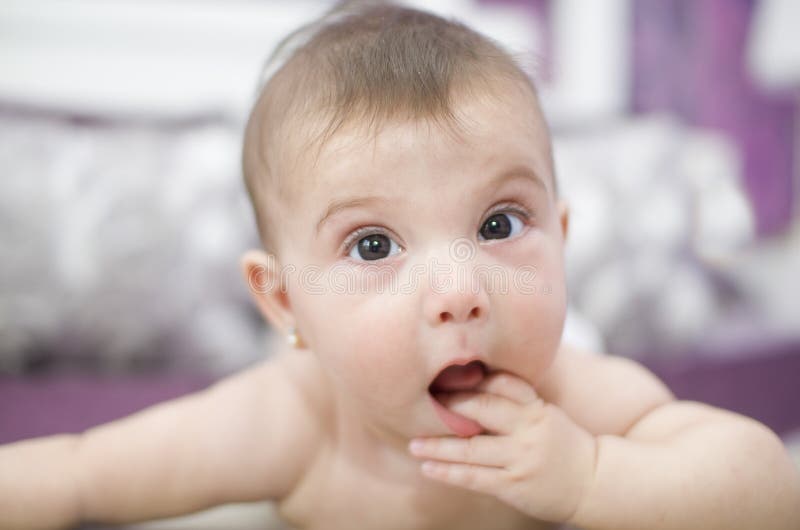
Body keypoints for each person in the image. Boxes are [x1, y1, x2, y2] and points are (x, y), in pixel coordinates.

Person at [2, 2, 799, 529]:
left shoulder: (575, 398)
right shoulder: (288, 420)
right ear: (283, 305)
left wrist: (590, 477)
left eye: (499, 224)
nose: (459, 292)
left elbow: (768, 489)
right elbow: (79, 474)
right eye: (374, 246)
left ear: (560, 237)